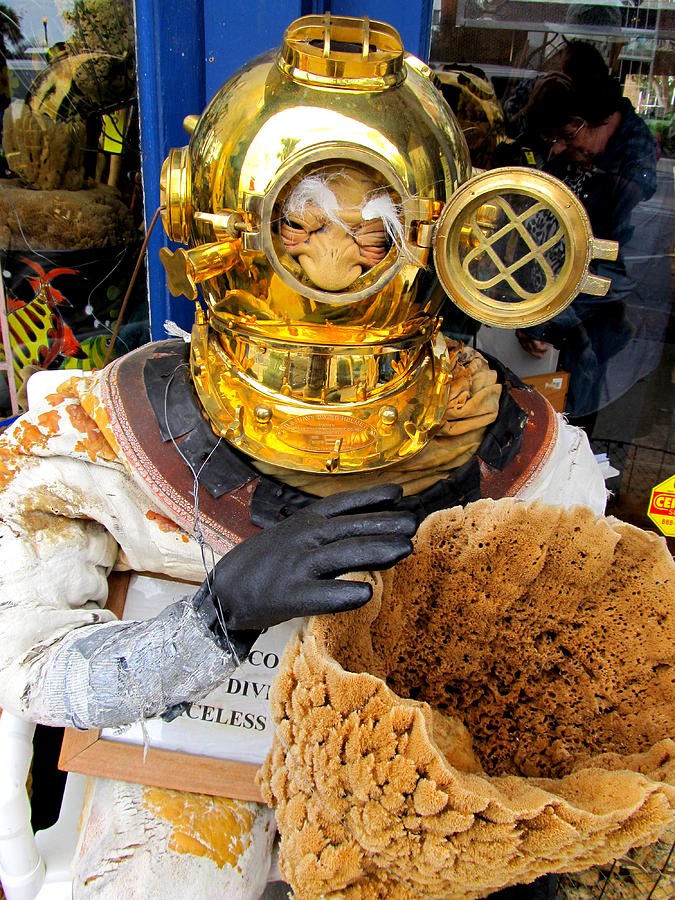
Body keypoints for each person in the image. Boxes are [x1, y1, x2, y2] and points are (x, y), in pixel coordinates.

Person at [0, 14, 609, 898]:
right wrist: (214, 621)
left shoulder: (530, 463)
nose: (336, 254)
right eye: (302, 225)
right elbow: (28, 674)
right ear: (217, 220)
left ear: (445, 236)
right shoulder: (93, 452)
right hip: (182, 786)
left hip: (404, 797)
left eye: (374, 232)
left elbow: (570, 669)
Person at [515, 47, 658, 430]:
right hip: (549, 332)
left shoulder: (635, 179)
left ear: (599, 119)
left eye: (564, 135)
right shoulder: (581, 155)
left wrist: (544, 320)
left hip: (586, 342)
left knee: (568, 439)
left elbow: (618, 277)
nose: (557, 148)